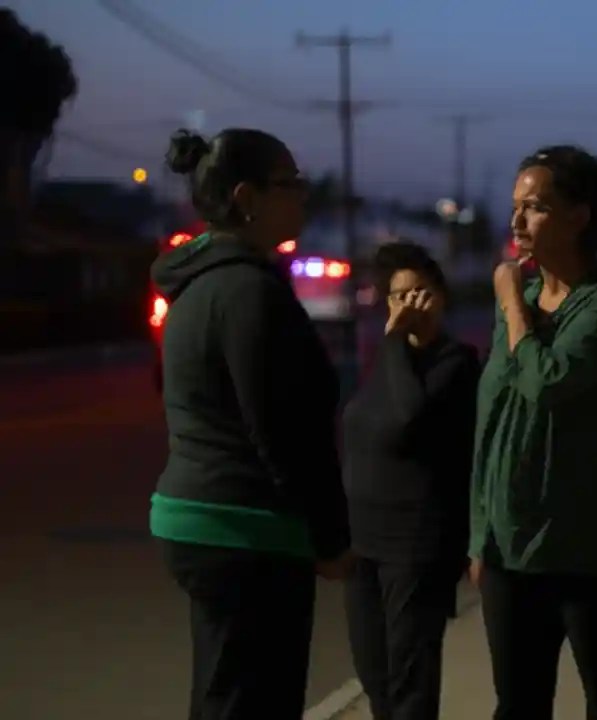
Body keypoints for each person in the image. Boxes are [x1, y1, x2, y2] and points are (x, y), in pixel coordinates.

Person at [149, 128, 353, 720]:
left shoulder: (199, 284)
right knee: (251, 701)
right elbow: (283, 433)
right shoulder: (247, 292)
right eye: (290, 184)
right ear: (247, 197)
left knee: (224, 693)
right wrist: (331, 539)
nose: (302, 197)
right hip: (244, 528)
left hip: (202, 517)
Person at [469, 145, 597, 719]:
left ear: (579, 216)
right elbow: (492, 418)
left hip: (594, 554)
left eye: (535, 207)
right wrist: (481, 533)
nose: (517, 222)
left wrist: (509, 304)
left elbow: (547, 381)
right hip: (511, 552)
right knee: (519, 704)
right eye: (516, 207)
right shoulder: (523, 303)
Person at [341, 241, 480, 720]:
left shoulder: (456, 363)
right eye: (399, 296)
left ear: (440, 297)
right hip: (363, 543)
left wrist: (396, 340)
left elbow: (409, 418)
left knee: (410, 682)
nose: (411, 304)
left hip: (414, 545)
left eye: (421, 292)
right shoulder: (385, 360)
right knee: (375, 676)